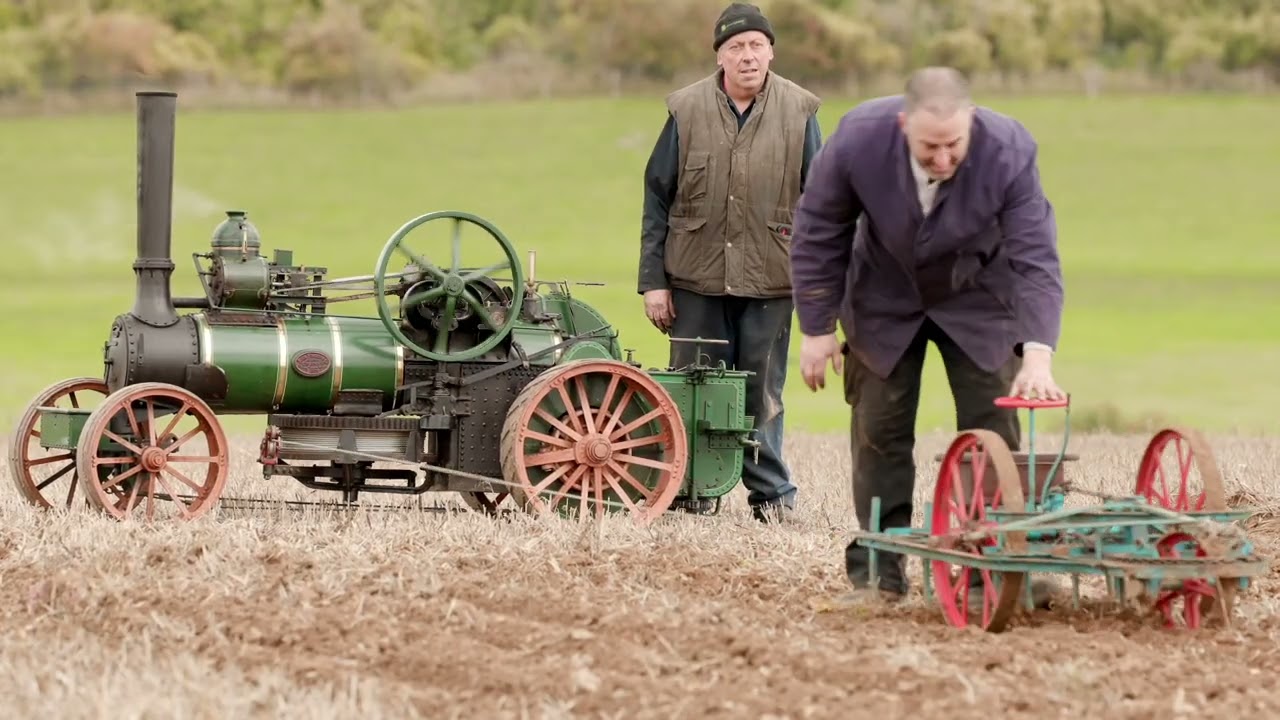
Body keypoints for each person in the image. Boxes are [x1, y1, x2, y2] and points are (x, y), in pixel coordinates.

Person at [788, 67, 1066, 599]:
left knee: (994, 436)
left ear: (973, 123)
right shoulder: (858, 140)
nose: (942, 159)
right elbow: (818, 231)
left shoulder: (1009, 149)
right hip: (883, 297)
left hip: (980, 297)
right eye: (929, 146)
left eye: (954, 145)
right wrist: (818, 328)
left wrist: (1037, 354)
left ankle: (995, 574)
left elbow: (1036, 257)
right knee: (880, 432)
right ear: (902, 125)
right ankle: (879, 575)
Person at [637, 2, 823, 523]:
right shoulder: (685, 109)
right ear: (720, 57)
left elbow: (822, 203)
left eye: (756, 46)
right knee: (692, 389)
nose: (747, 56)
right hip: (694, 277)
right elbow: (657, 198)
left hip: (772, 278)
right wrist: (654, 281)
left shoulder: (801, 111)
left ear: (771, 53)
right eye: (735, 47)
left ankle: (771, 497)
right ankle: (688, 493)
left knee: (761, 393)